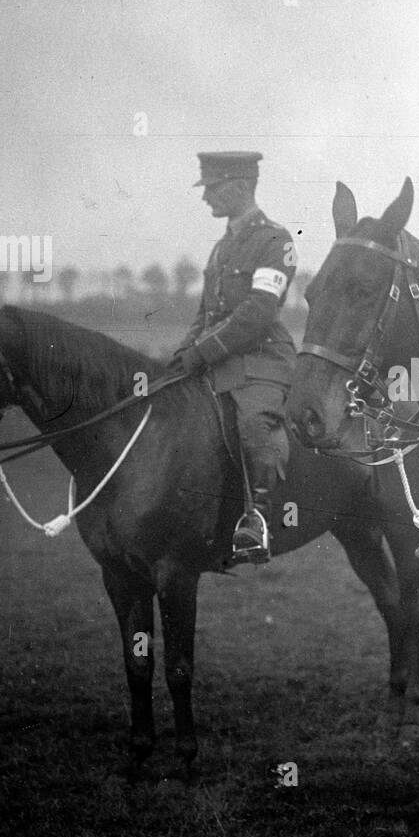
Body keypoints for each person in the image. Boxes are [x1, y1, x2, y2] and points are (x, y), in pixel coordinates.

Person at [168, 151, 297, 563]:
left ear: (240, 186)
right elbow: (205, 314)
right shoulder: (221, 248)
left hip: (262, 362)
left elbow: (258, 312)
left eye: (213, 188)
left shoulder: (275, 240)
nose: (206, 198)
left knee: (253, 424)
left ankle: (257, 520)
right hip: (216, 361)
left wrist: (203, 351)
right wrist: (183, 354)